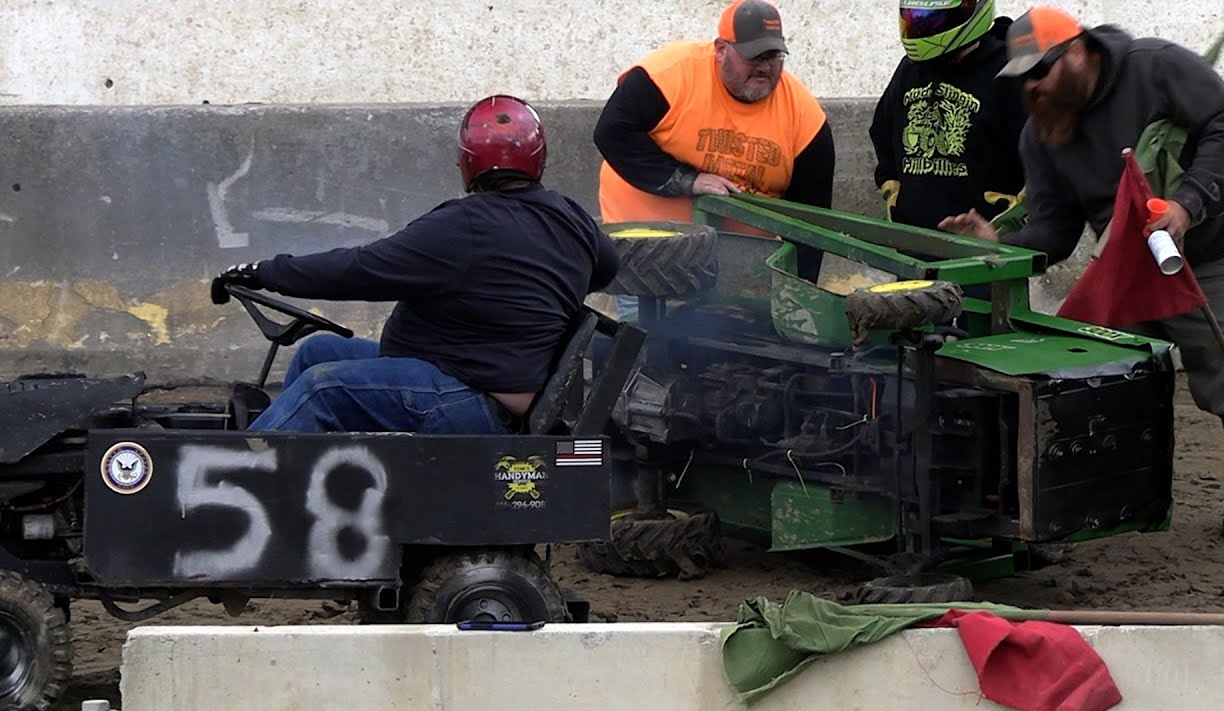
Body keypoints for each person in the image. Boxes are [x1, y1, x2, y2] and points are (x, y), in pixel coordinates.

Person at [937, 6, 1224, 541]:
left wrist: (1187, 205)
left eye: (1040, 71)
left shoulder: (1156, 68)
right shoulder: (1043, 134)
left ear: (1078, 51)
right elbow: (1054, 231)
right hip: (1132, 264)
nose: (1031, 87)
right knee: (1101, 376)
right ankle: (1095, 501)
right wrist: (998, 245)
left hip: (1221, 249)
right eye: (1022, 78)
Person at [209, 94, 620, 435]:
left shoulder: (464, 225)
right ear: (537, 159)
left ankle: (233, 488)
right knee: (317, 352)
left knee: (323, 388)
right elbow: (606, 267)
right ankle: (322, 496)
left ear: (467, 162)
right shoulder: (569, 216)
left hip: (472, 401)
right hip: (463, 383)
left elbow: (358, 270)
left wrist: (264, 272)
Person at [593, 0, 835, 321]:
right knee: (647, 352)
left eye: (773, 56)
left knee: (724, 361)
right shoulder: (671, 75)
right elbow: (611, 132)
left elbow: (810, 223)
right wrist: (687, 181)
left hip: (738, 275)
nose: (764, 66)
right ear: (721, 49)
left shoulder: (806, 120)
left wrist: (798, 306)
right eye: (754, 56)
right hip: (648, 258)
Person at [870, 0, 1027, 234]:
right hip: (913, 248)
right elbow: (882, 133)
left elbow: (1044, 168)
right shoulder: (911, 70)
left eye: (931, 19)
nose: (921, 27)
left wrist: (1004, 226)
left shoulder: (1011, 74)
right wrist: (895, 196)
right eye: (914, 18)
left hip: (986, 257)